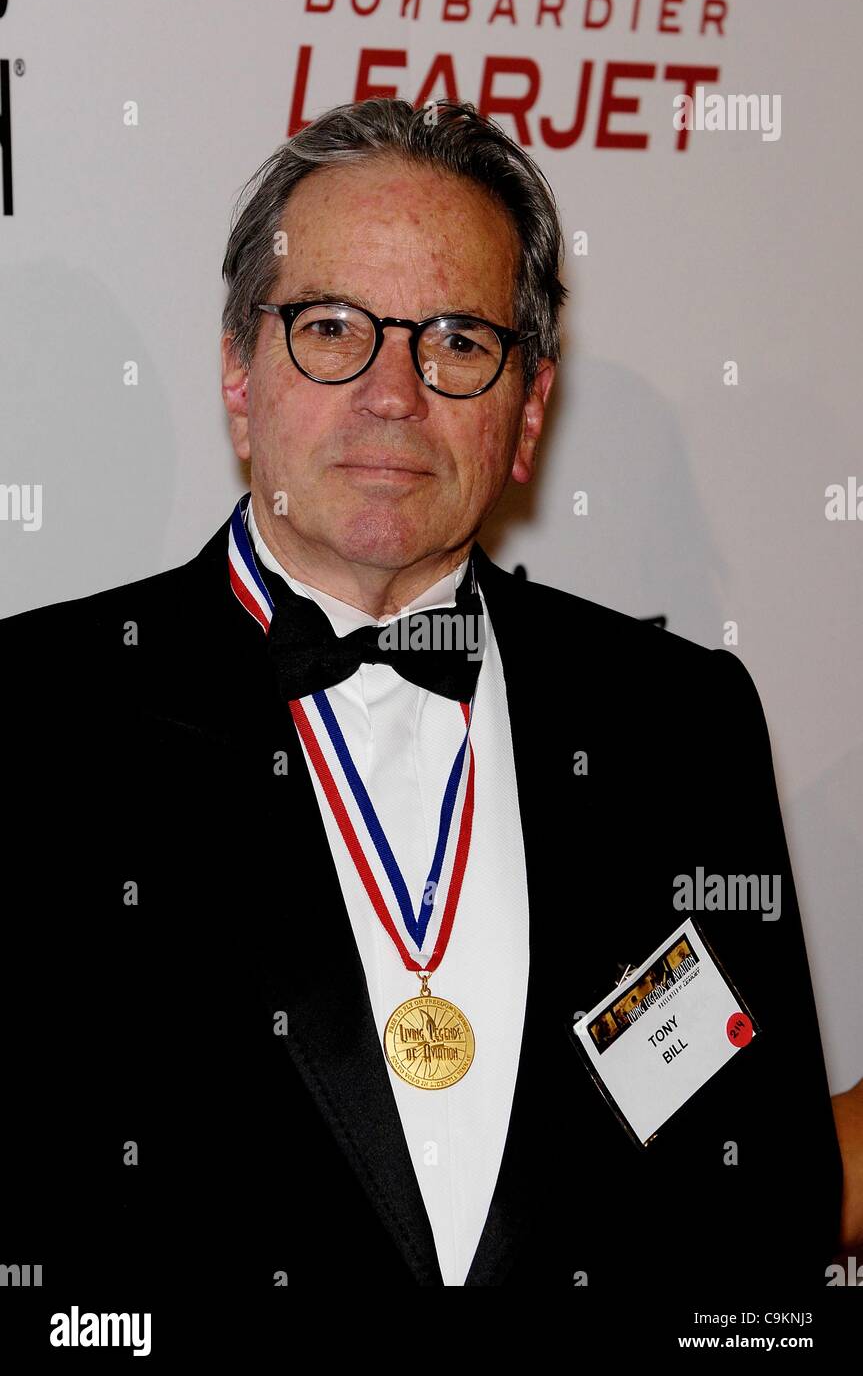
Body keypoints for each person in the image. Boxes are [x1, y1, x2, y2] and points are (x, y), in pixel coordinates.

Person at [1, 99, 854, 1323]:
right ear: (239, 374)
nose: (394, 392)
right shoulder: (38, 714)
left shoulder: (681, 723)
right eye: (332, 327)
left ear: (527, 407)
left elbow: (758, 1213)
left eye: (457, 339)